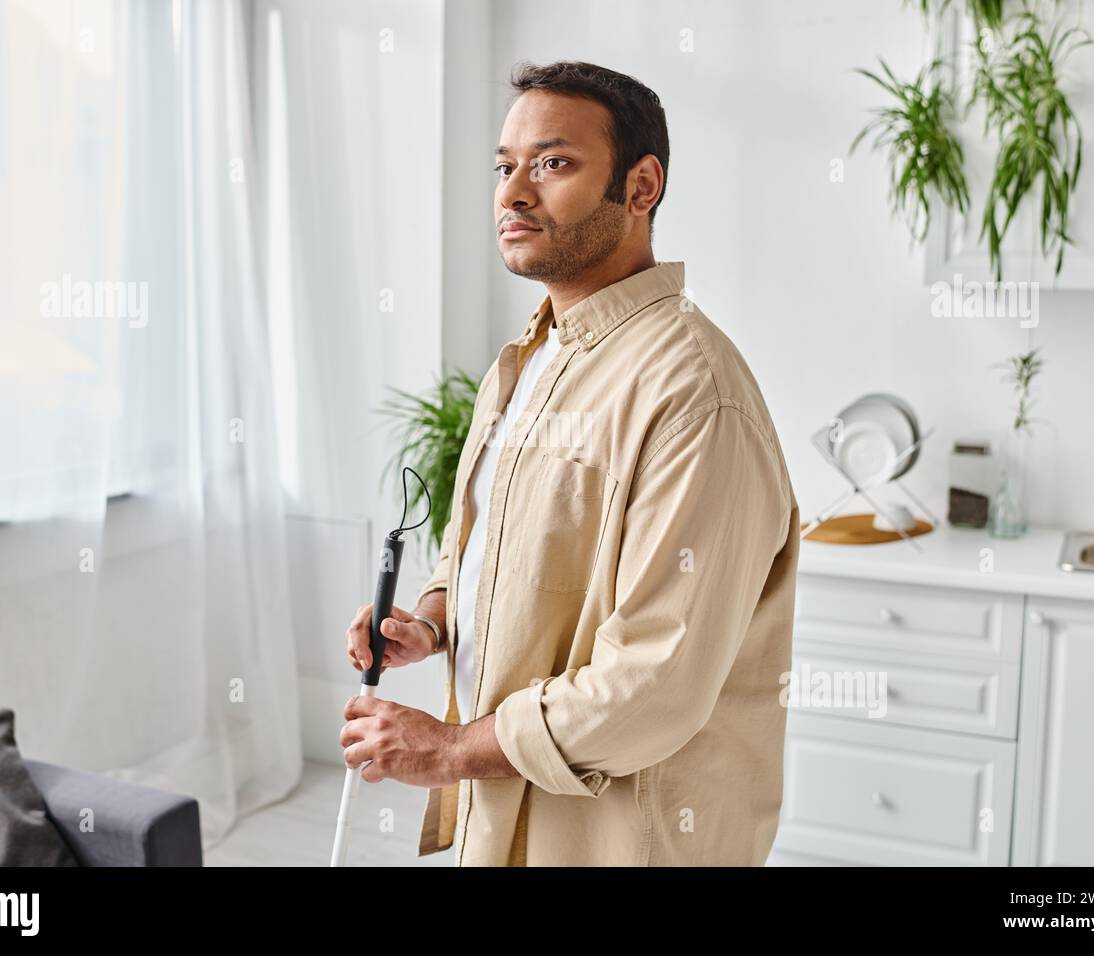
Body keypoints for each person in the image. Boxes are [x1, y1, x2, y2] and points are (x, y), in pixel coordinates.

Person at [341, 60, 799, 866]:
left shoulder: (694, 391)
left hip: (625, 839)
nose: (514, 192)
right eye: (504, 165)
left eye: (552, 163)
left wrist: (450, 751)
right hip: (512, 810)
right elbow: (489, 553)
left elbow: (654, 684)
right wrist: (432, 621)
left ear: (642, 185)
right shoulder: (528, 359)